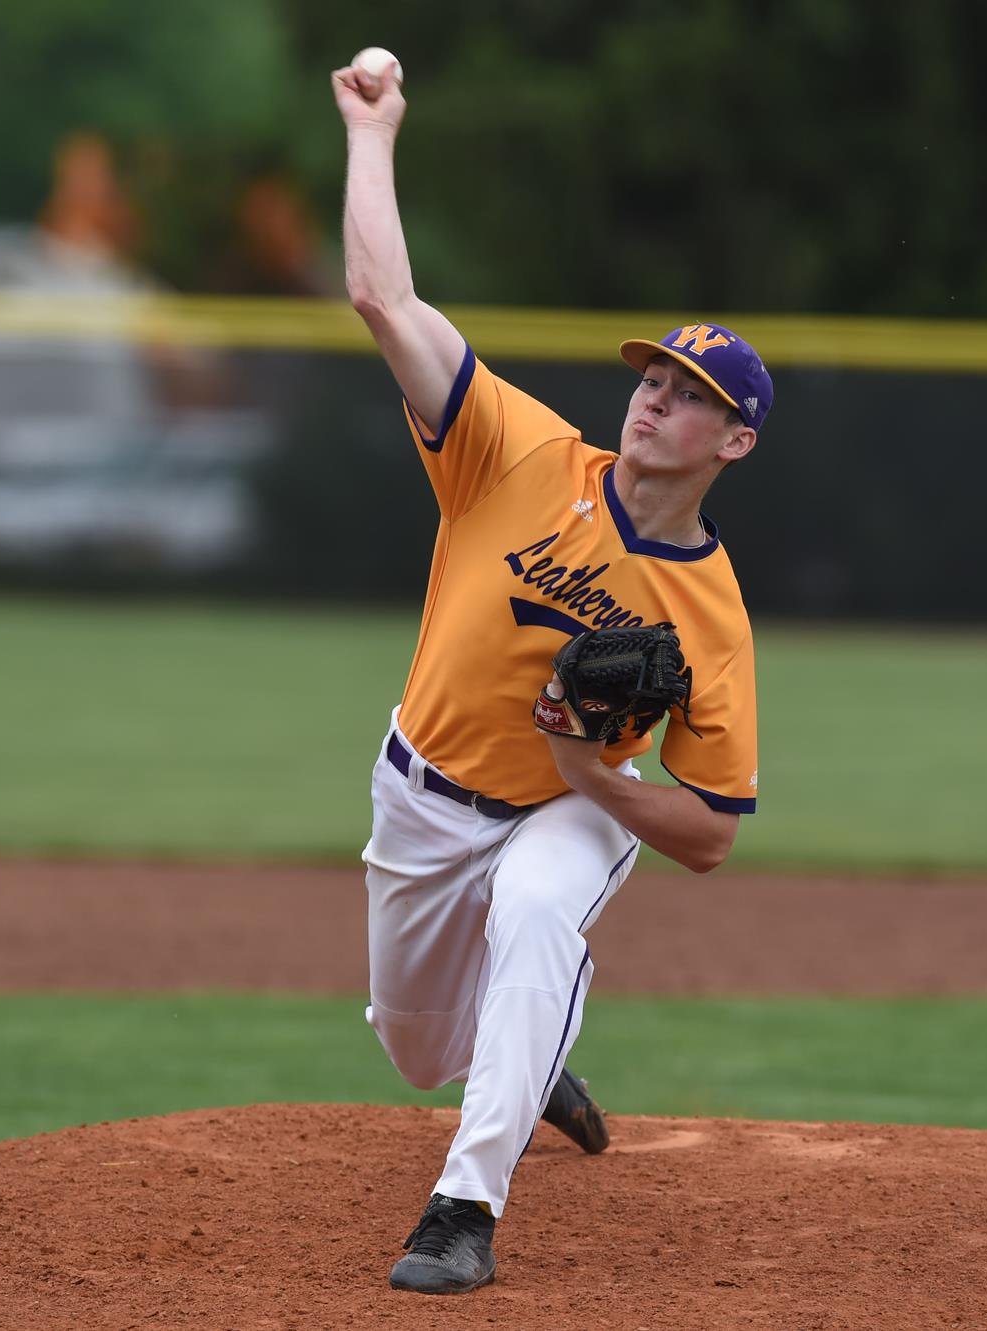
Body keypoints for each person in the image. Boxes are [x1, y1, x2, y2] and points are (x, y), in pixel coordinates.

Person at [332, 53, 767, 1295]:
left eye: (689, 397)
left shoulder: (712, 614)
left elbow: (713, 833)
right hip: (421, 790)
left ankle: (462, 1210)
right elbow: (381, 297)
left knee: (534, 910)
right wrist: (374, 134)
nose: (654, 399)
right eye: (651, 377)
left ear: (731, 441)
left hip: (571, 805)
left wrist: (592, 773)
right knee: (418, 1052)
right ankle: (526, 1052)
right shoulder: (516, 450)